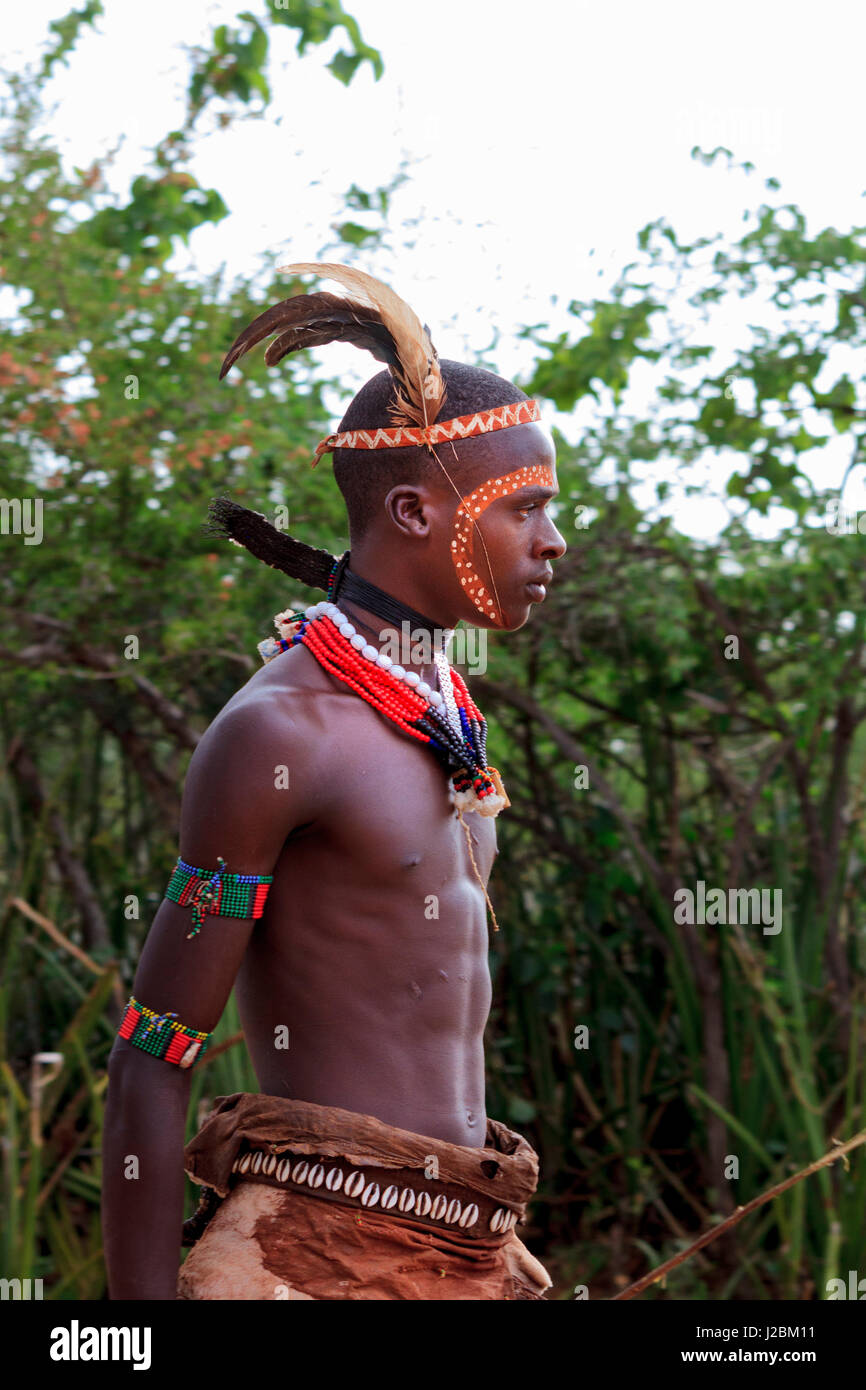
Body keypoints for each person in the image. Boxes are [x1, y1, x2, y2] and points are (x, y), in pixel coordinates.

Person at [102, 263, 567, 1300]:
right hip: (321, 1253)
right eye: (523, 509)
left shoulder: (443, 707)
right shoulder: (281, 732)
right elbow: (152, 1050)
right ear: (411, 510)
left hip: (468, 1234)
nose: (551, 540)